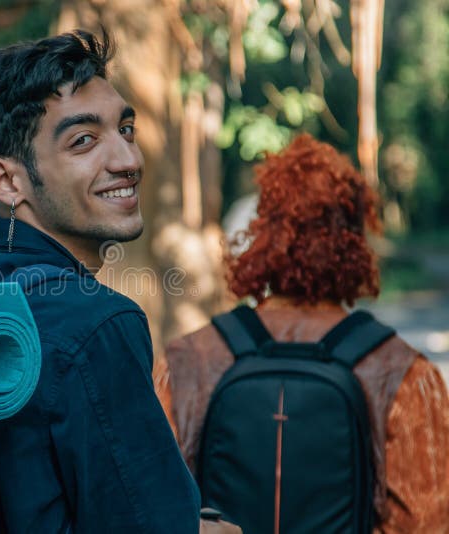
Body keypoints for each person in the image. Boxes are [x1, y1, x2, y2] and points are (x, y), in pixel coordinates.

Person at [0, 29, 204, 533]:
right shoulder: (95, 324)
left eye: (125, 129)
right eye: (83, 141)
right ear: (7, 181)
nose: (128, 160)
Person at [161, 134, 449, 533]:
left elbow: (147, 504)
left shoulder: (186, 362)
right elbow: (428, 522)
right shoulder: (402, 373)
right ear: (357, 243)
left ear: (261, 234)